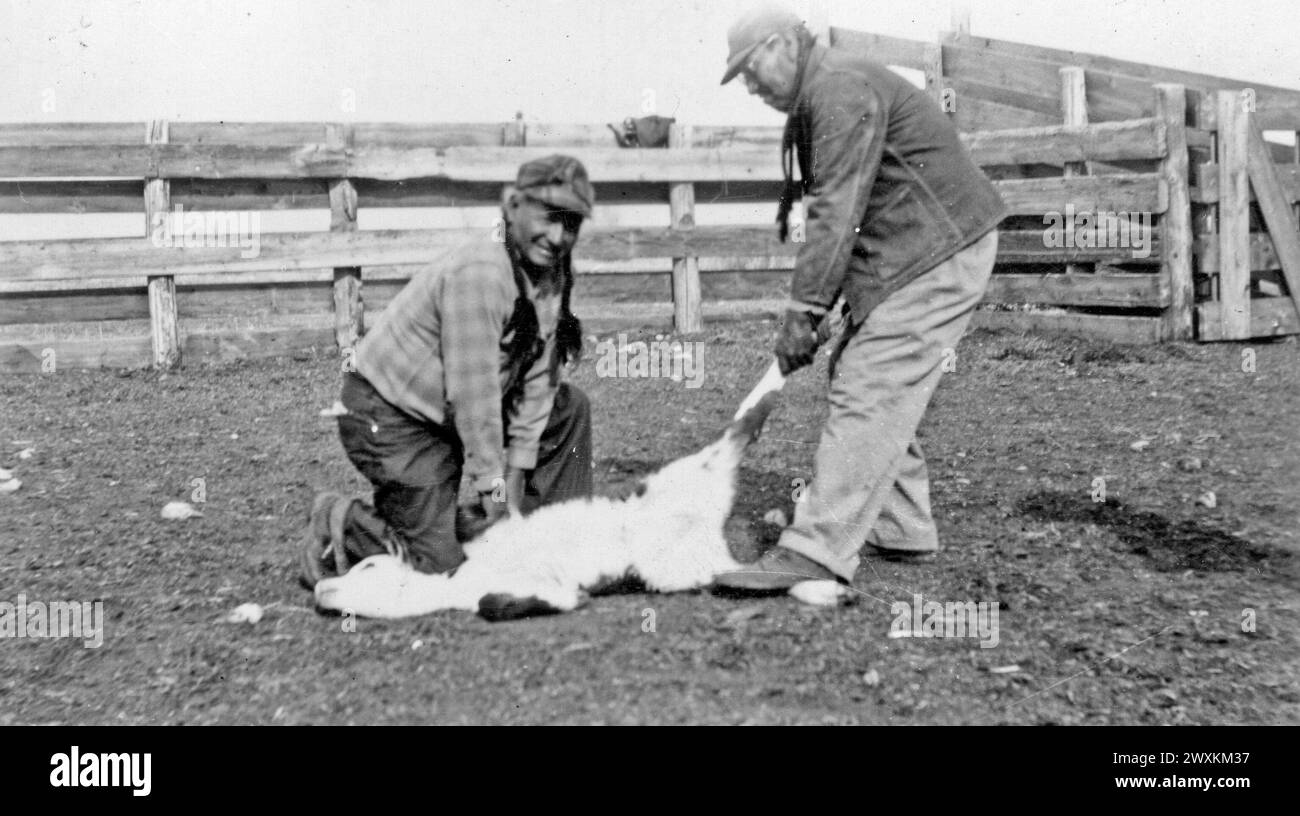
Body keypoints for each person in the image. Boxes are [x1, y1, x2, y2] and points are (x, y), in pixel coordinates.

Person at [711, 5, 1007, 591]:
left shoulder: (838, 88)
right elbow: (859, 206)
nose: (748, 84)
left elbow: (836, 209)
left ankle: (818, 550)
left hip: (937, 245)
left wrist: (804, 312)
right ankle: (901, 525)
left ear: (783, 45)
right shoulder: (824, 88)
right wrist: (831, 306)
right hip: (913, 245)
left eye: (750, 67)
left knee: (872, 379)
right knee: (865, 368)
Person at [300, 155, 596, 585]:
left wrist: (509, 498)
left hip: (450, 415)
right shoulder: (480, 272)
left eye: (570, 224)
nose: (556, 236)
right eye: (548, 217)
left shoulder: (549, 277)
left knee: (568, 409)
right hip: (391, 417)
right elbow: (475, 404)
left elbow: (535, 390)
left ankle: (549, 541)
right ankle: (343, 524)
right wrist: (496, 499)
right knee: (435, 567)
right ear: (513, 206)